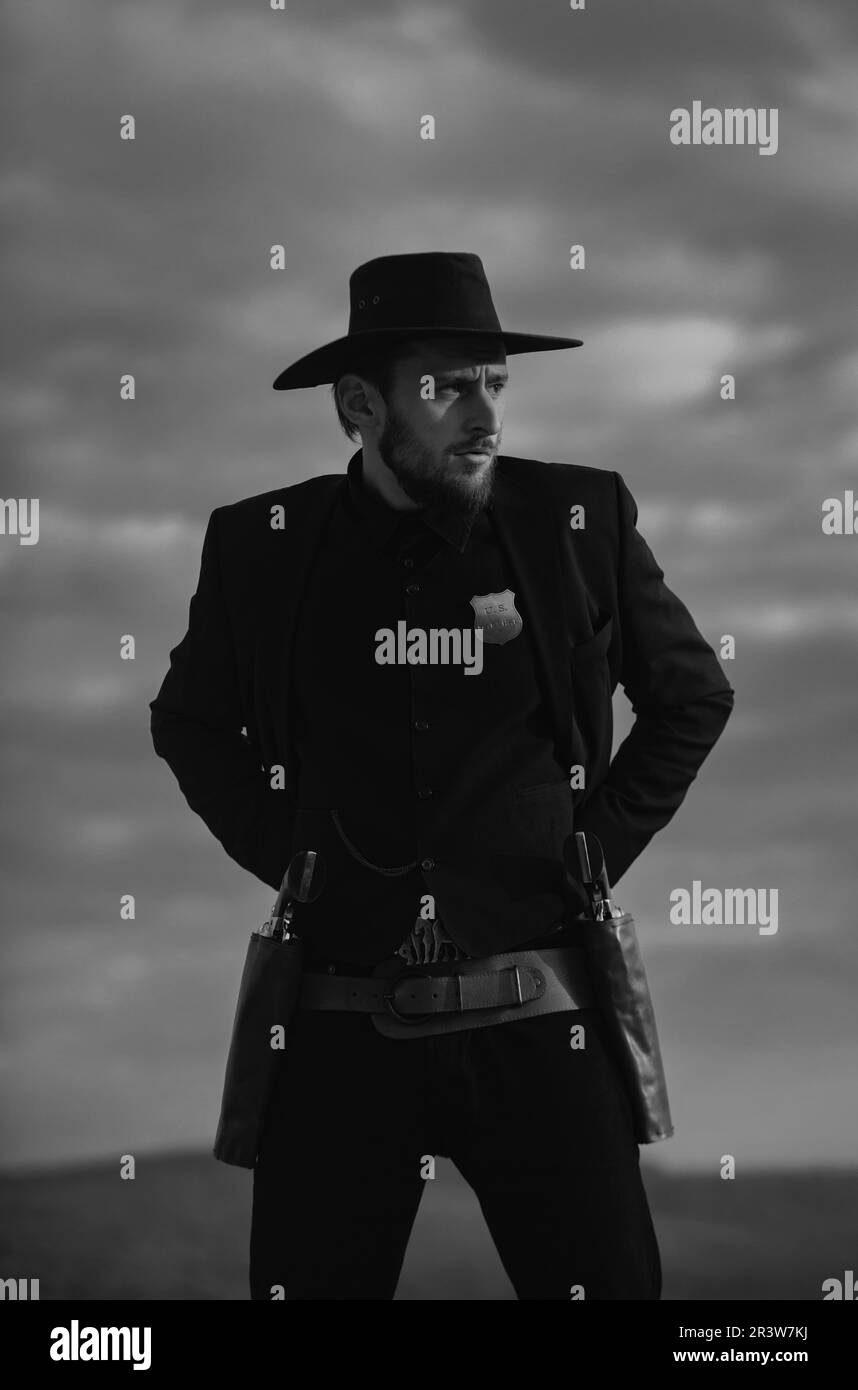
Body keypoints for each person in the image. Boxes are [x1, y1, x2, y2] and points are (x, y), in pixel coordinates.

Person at [149, 251, 734, 1300]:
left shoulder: (578, 521)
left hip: (541, 1015)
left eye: (495, 384)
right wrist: (293, 856)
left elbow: (693, 694)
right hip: (335, 1024)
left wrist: (592, 847)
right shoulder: (260, 548)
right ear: (359, 406)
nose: (485, 415)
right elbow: (188, 722)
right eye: (448, 386)